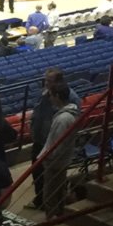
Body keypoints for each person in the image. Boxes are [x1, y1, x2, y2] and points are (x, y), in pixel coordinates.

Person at [37, 77, 78, 216]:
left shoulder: (63, 119)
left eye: (52, 95)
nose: (50, 98)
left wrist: (47, 158)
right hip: (59, 160)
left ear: (58, 96)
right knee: (57, 191)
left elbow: (58, 144)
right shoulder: (65, 116)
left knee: (50, 194)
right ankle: (58, 215)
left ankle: (52, 219)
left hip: (55, 162)